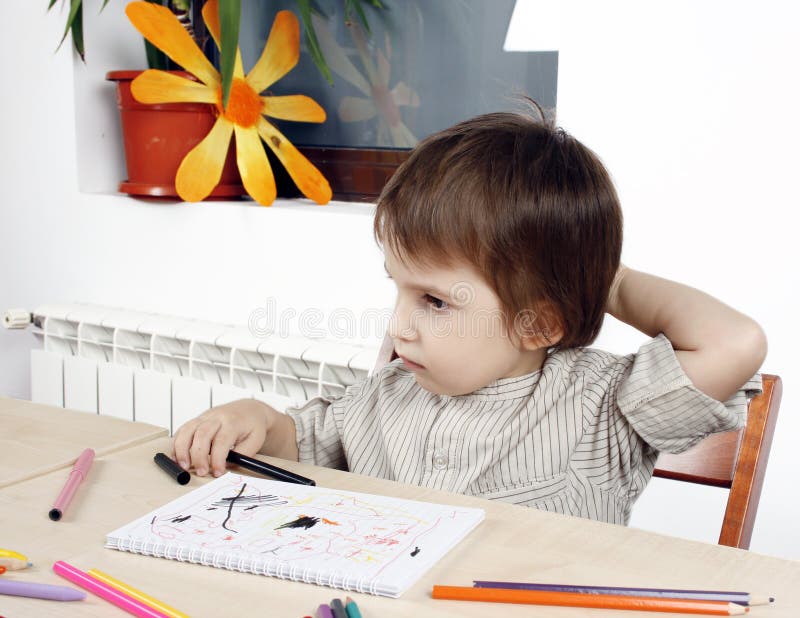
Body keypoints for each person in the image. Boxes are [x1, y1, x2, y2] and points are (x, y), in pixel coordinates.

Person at [171, 108, 766, 525]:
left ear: (539, 323)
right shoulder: (392, 391)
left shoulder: (605, 407)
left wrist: (602, 277)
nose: (399, 326)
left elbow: (735, 342)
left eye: (433, 301)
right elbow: (304, 441)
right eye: (399, 290)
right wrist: (256, 419)